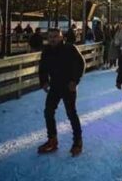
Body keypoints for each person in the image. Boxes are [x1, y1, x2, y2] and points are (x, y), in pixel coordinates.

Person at [37, 27, 86, 156]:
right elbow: (43, 67)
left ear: (61, 37)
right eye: (50, 37)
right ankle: (52, 139)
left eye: (55, 36)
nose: (53, 39)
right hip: (55, 85)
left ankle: (77, 141)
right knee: (48, 111)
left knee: (71, 113)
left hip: (68, 85)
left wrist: (75, 81)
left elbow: (81, 63)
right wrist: (44, 81)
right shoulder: (47, 50)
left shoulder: (69, 49)